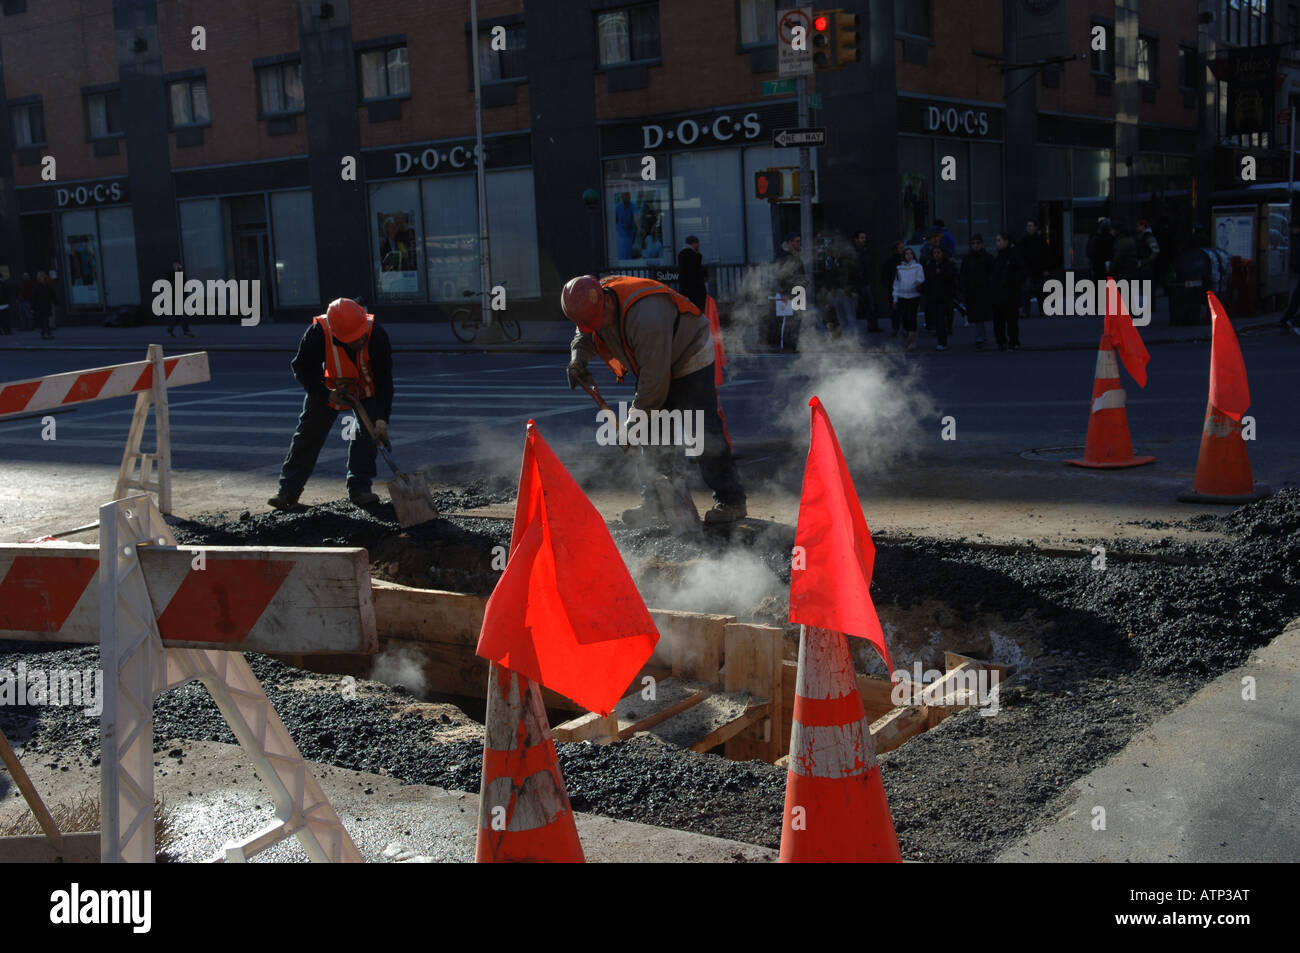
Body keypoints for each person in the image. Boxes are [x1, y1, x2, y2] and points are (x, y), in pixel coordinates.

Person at [561, 273, 747, 525]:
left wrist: (631, 425)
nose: (599, 327)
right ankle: (656, 503)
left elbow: (655, 382)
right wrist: (578, 358)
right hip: (654, 360)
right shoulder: (591, 302)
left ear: (607, 302)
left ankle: (731, 500)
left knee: (701, 431)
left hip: (689, 351)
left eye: (600, 320)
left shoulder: (645, 316)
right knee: (653, 434)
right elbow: (584, 333)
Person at [268, 298, 394, 510]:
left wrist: (382, 418)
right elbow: (302, 368)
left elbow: (385, 380)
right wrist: (325, 393)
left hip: (366, 390)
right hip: (329, 389)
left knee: (365, 435)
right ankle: (288, 491)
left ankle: (360, 488)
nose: (361, 340)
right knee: (308, 434)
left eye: (362, 335)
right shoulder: (318, 333)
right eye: (354, 339)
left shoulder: (377, 334)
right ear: (338, 337)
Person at [989, 233, 1025, 350]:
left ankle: (1013, 341)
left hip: (1010, 293)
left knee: (1011, 320)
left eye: (999, 240)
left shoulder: (1014, 256)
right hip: (999, 293)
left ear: (1006, 242)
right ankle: (1002, 341)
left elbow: (1021, 273)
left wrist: (1010, 279)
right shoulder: (999, 257)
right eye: (997, 241)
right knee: (999, 320)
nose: (997, 243)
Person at [959, 234, 995, 349]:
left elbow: (992, 274)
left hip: (983, 290)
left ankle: (980, 337)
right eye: (973, 243)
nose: (975, 245)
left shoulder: (987, 258)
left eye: (977, 243)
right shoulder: (969, 258)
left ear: (981, 244)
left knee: (979, 315)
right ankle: (981, 336)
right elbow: (963, 274)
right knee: (978, 315)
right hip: (973, 290)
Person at [774, 232, 805, 352]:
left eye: (799, 241)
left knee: (797, 319)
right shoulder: (784, 256)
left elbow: (800, 273)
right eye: (796, 241)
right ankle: (787, 345)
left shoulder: (796, 255)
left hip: (798, 291)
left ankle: (792, 345)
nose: (799, 243)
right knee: (789, 319)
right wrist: (783, 293)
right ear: (790, 242)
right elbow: (780, 276)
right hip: (790, 292)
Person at [923, 245, 958, 351]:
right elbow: (927, 280)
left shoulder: (948, 264)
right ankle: (941, 341)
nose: (936, 255)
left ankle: (944, 338)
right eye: (935, 253)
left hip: (946, 296)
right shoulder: (930, 266)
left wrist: (942, 273)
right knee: (939, 320)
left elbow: (952, 278)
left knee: (944, 317)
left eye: (938, 252)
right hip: (934, 297)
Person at [892, 246, 925, 351]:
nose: (909, 256)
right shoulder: (899, 268)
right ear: (904, 256)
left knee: (912, 317)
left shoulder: (918, 266)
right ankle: (907, 335)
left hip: (914, 296)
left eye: (911, 253)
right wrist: (895, 298)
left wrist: (918, 282)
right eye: (907, 254)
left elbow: (921, 277)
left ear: (913, 255)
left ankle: (912, 340)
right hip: (902, 296)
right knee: (904, 317)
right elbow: (896, 284)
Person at [851, 229, 882, 333]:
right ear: (857, 239)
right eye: (862, 238)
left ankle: (872, 326)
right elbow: (854, 269)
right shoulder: (854, 252)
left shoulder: (866, 250)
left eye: (864, 238)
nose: (864, 240)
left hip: (865, 281)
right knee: (856, 307)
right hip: (858, 282)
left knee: (870, 305)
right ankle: (855, 330)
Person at [1018, 219, 1049, 317]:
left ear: (1036, 227)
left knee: (1041, 290)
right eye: (1028, 226)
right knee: (1026, 291)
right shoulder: (1023, 240)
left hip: (1039, 269)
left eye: (1031, 226)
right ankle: (1025, 311)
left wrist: (1045, 268)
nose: (1029, 228)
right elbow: (1020, 254)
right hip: (1027, 270)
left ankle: (1042, 310)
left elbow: (1046, 255)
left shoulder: (1041, 239)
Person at [881, 240, 905, 336]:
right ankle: (895, 327)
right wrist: (889, 285)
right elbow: (885, 275)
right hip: (894, 288)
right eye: (900, 248)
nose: (902, 250)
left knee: (904, 309)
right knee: (894, 309)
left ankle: (904, 328)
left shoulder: (905, 260)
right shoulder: (890, 261)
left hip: (905, 288)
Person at [677, 236, 707, 311]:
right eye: (697, 244)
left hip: (685, 288)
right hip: (695, 290)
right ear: (694, 244)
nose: (699, 246)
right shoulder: (695, 255)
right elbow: (697, 269)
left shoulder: (681, 254)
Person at [167, 259, 195, 338]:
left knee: (180, 316)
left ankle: (171, 329)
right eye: (175, 265)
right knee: (180, 316)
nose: (177, 266)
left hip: (182, 298)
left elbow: (185, 287)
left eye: (178, 264)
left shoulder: (182, 274)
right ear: (173, 266)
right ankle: (185, 331)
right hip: (174, 298)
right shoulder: (170, 274)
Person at [1135, 219, 1160, 284]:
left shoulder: (1148, 237)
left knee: (1146, 287)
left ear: (1143, 226)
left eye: (1138, 226)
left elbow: (1156, 251)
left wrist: (1146, 261)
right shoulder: (1142, 236)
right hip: (1143, 266)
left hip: (1147, 267)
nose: (1137, 228)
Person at [33, 271, 56, 339]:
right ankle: (48, 333)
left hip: (46, 305)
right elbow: (34, 297)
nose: (42, 278)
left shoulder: (47, 285)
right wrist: (33, 307)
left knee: (45, 320)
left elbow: (52, 294)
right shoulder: (37, 286)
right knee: (45, 320)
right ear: (39, 278)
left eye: (43, 276)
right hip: (40, 306)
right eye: (41, 276)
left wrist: (56, 302)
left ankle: (43, 333)